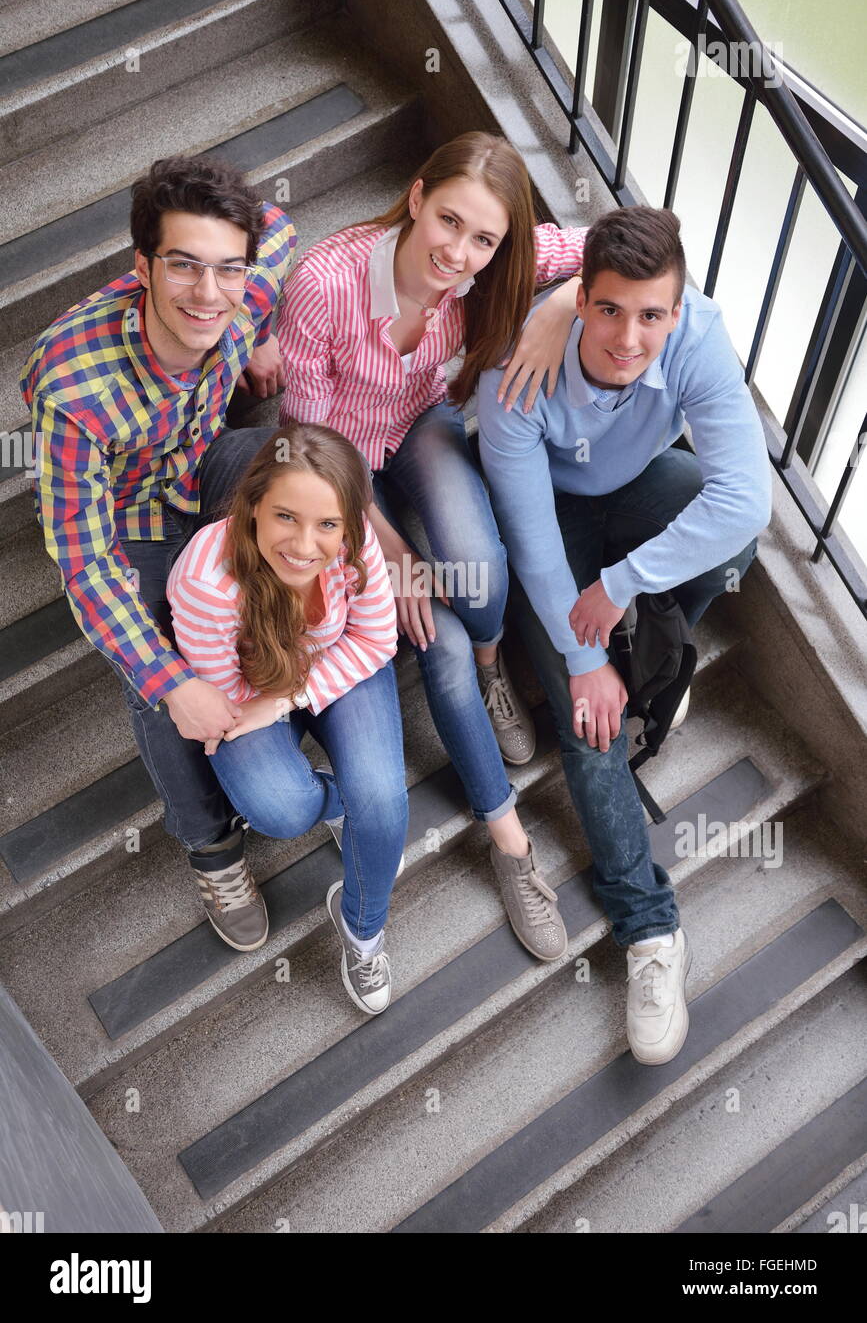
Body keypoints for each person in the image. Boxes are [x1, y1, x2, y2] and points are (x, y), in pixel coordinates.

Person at [276, 131, 587, 962]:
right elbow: (308, 442)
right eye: (447, 222)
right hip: (335, 465)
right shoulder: (325, 286)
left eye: (483, 239)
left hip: (419, 425)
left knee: (479, 575)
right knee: (434, 640)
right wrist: (386, 548)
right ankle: (514, 848)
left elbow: (638, 240)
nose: (459, 253)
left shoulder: (496, 261)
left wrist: (560, 302)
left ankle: (493, 672)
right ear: (415, 198)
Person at [475, 205, 772, 1064]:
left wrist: (620, 586)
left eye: (651, 316)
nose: (629, 336)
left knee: (733, 536)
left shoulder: (697, 333)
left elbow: (743, 500)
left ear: (677, 311)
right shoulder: (516, 375)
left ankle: (656, 669)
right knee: (588, 715)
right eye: (608, 310)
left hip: (638, 493)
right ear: (580, 299)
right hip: (553, 519)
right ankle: (650, 928)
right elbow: (530, 542)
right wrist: (580, 659)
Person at [20, 154, 294, 941]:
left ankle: (300, 684)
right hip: (127, 513)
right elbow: (83, 561)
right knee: (151, 666)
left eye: (226, 270)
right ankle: (211, 846)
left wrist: (262, 337)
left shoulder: (242, 297)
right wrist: (174, 683)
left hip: (203, 462)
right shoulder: (74, 394)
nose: (209, 294)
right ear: (142, 266)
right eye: (183, 267)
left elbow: (276, 230)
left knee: (292, 469)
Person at [166, 423, 407, 1014]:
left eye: (327, 524)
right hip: (250, 690)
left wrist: (290, 697)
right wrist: (274, 700)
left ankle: (362, 930)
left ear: (349, 523)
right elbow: (229, 705)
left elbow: (376, 637)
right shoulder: (208, 583)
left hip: (339, 662)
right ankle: (341, 806)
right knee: (281, 807)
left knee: (384, 800)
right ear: (253, 509)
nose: (305, 544)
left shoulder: (352, 545)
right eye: (286, 518)